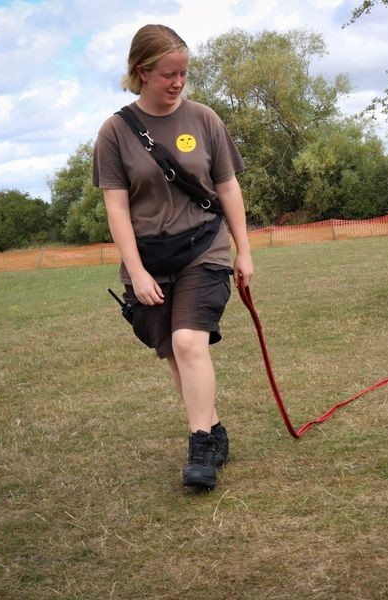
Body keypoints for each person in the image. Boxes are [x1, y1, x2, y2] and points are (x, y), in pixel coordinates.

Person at [93, 24, 253, 491]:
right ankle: (217, 431)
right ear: (140, 71)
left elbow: (228, 188)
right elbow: (116, 207)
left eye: (184, 73)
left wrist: (244, 250)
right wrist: (136, 270)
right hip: (148, 258)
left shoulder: (205, 119)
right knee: (173, 354)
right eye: (168, 74)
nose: (178, 82)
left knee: (188, 343)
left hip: (204, 247)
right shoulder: (114, 132)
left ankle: (200, 445)